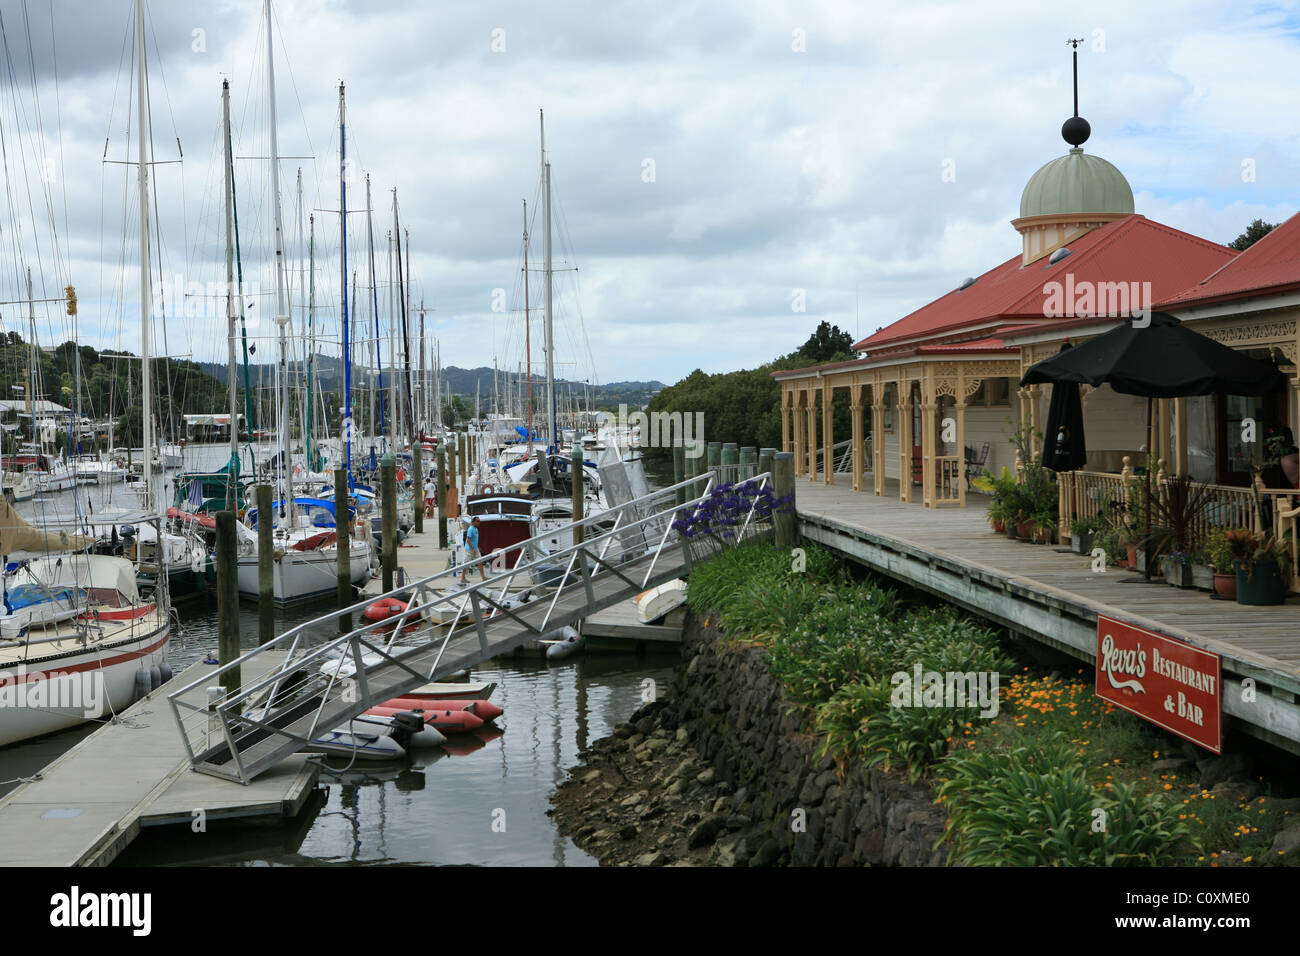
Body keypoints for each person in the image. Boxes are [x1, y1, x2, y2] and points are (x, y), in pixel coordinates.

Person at [459, 517, 486, 584]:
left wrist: (476, 547)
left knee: (480, 562)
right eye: (477, 521)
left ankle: (483, 577)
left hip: (475, 549)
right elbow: (468, 540)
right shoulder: (471, 529)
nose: (479, 522)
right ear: (473, 522)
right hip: (469, 550)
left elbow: (475, 540)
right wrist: (473, 548)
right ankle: (462, 578)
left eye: (479, 521)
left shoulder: (476, 529)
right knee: (466, 563)